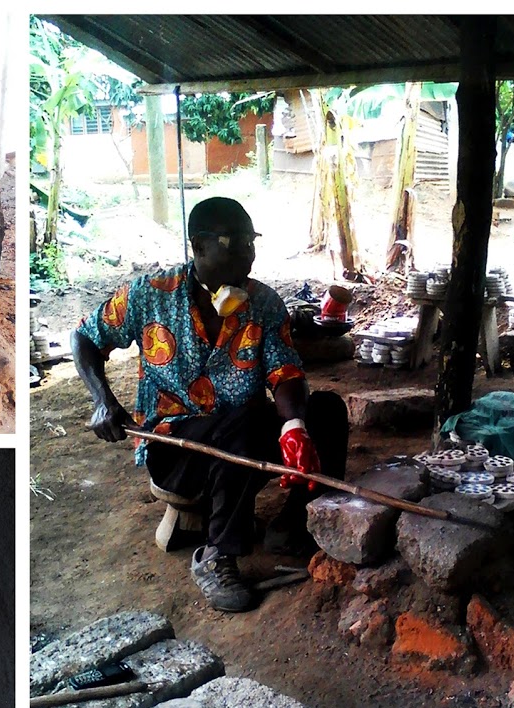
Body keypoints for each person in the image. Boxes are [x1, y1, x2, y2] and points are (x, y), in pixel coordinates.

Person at [72, 197, 348, 613]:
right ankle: (217, 555)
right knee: (249, 421)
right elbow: (85, 338)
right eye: (233, 242)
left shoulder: (265, 304)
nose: (248, 253)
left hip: (245, 442)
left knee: (325, 410)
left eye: (251, 242)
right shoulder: (150, 296)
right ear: (199, 247)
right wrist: (102, 400)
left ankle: (294, 523)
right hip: (178, 451)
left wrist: (294, 427)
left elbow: (286, 373)